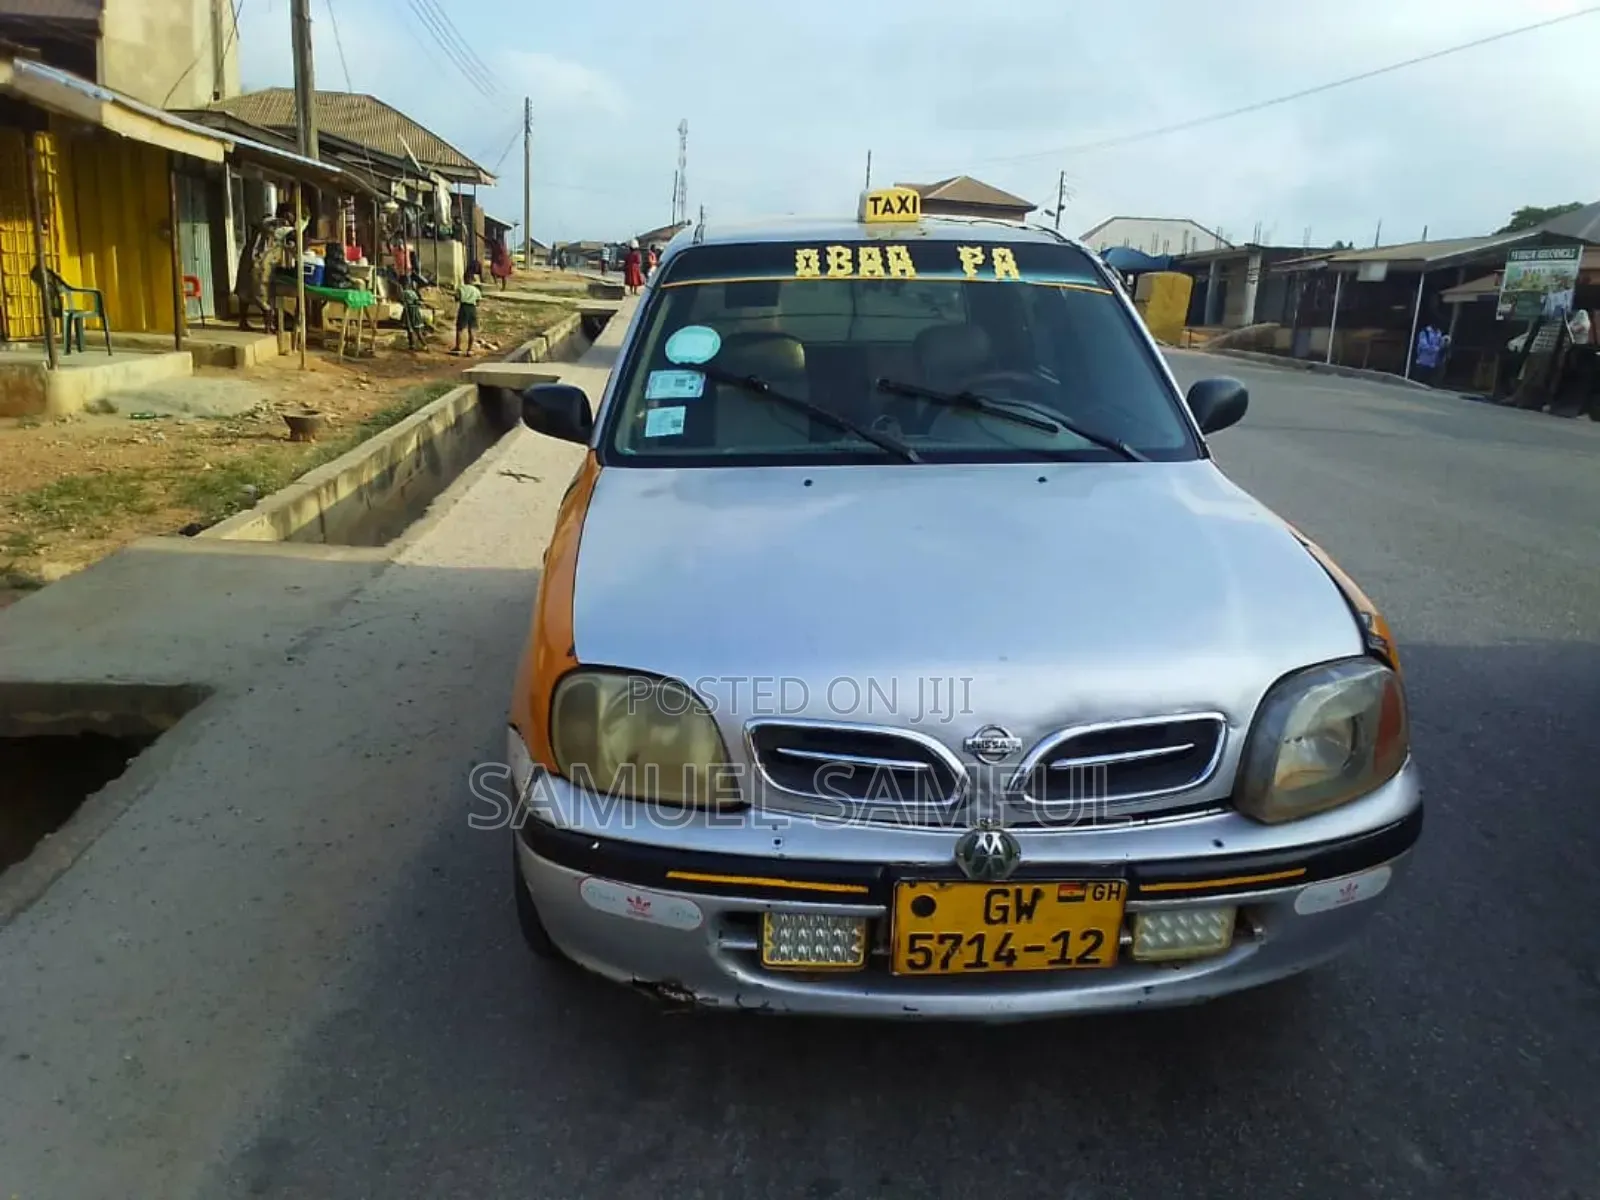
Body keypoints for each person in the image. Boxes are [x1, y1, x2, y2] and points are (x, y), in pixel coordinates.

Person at [452, 268, 483, 355]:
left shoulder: (461, 288)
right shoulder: (476, 290)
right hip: (472, 309)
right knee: (472, 329)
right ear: (472, 280)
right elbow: (478, 302)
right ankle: (470, 349)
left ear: (464, 279)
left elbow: (457, 298)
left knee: (460, 329)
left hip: (464, 307)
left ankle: (458, 348)